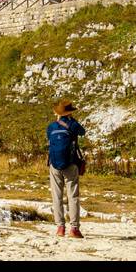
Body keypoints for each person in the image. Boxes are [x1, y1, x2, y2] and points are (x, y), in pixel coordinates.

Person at [47, 99, 86, 238]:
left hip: (54, 165)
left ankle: (60, 228)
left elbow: (49, 141)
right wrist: (72, 120)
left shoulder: (51, 127)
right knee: (73, 195)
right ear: (69, 112)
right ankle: (74, 229)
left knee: (56, 196)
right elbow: (83, 132)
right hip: (70, 164)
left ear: (58, 113)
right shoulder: (73, 124)